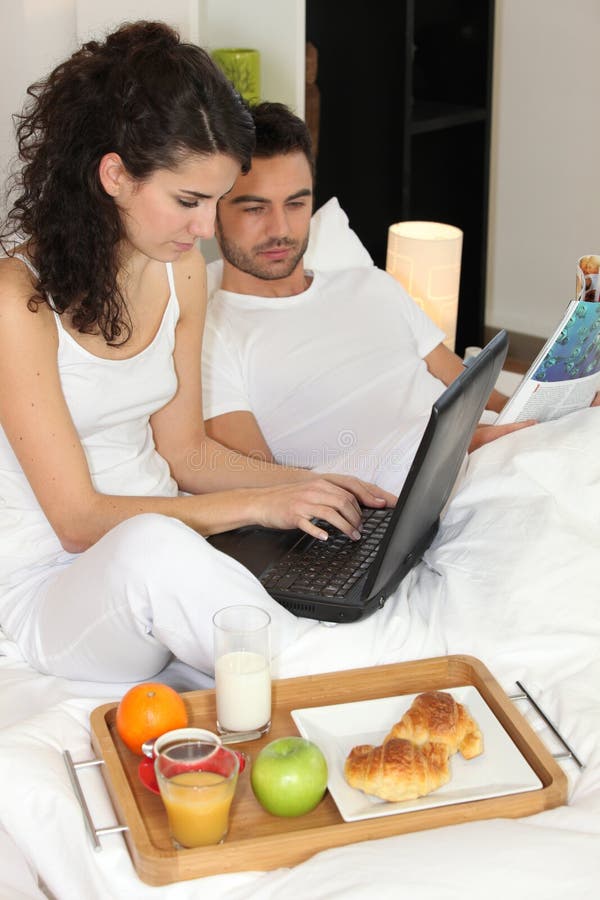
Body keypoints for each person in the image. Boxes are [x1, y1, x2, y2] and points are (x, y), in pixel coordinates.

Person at [0, 23, 393, 683]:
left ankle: (345, 664)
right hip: (53, 590)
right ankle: (344, 683)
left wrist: (306, 485)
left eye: (215, 202)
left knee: (194, 551)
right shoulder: (18, 302)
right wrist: (255, 505)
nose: (206, 229)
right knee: (154, 549)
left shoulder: (178, 273)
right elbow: (77, 520)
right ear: (114, 175)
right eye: (188, 201)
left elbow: (186, 452)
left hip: (171, 549)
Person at [202, 102, 533, 491]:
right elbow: (265, 488)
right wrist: (450, 448)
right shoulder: (211, 337)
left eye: (296, 204)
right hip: (409, 498)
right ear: (212, 211)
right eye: (255, 208)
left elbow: (476, 395)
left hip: (491, 456)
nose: (281, 229)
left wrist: (558, 408)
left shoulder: (372, 285)